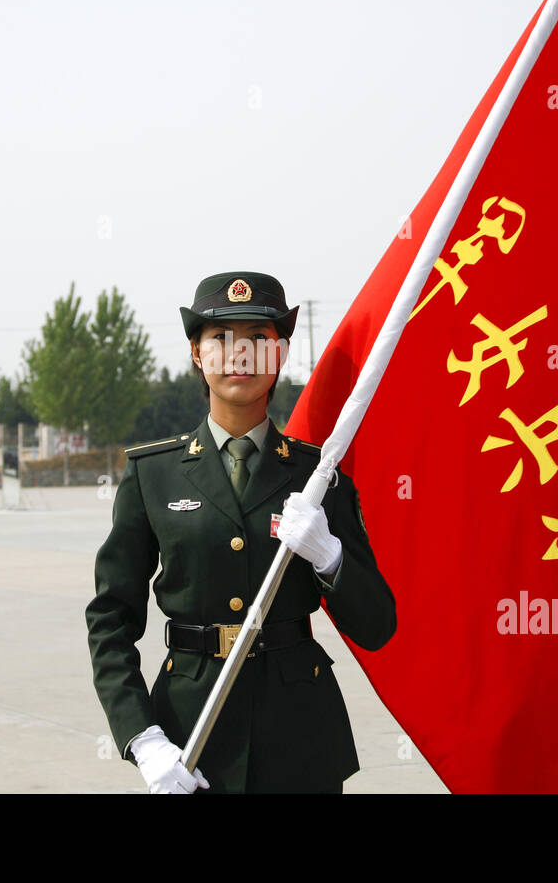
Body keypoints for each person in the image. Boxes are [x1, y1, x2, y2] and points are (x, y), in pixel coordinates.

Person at [85, 271, 397, 793]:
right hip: (190, 736)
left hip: (299, 739)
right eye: (222, 339)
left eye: (259, 340)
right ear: (196, 353)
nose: (240, 355)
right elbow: (110, 619)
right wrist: (141, 736)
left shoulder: (319, 475)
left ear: (280, 357)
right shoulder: (152, 474)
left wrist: (329, 557)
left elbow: (378, 626)